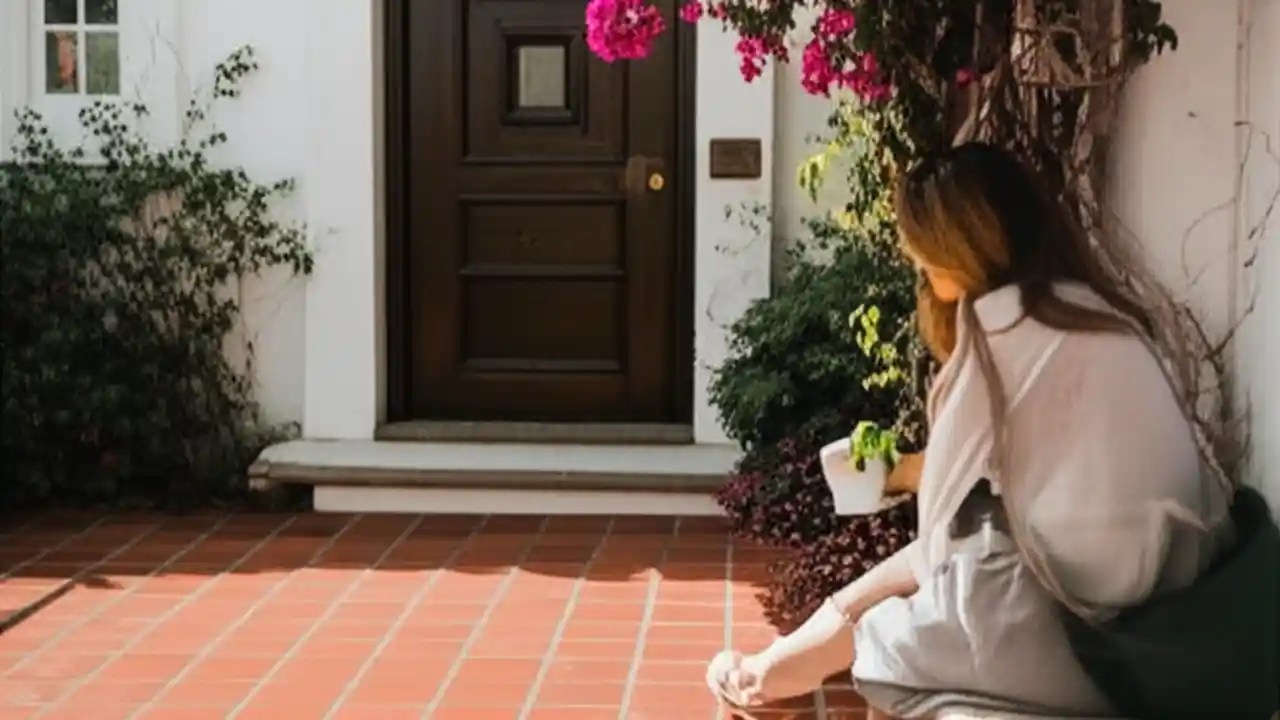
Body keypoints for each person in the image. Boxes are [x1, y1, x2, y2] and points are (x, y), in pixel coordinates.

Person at [706, 142, 1234, 717]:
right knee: (958, 559)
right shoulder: (1096, 311)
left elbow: (936, 534)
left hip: (1094, 635)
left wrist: (894, 479)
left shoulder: (1000, 332)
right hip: (1179, 607)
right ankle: (769, 672)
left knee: (890, 643)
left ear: (954, 252)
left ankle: (765, 679)